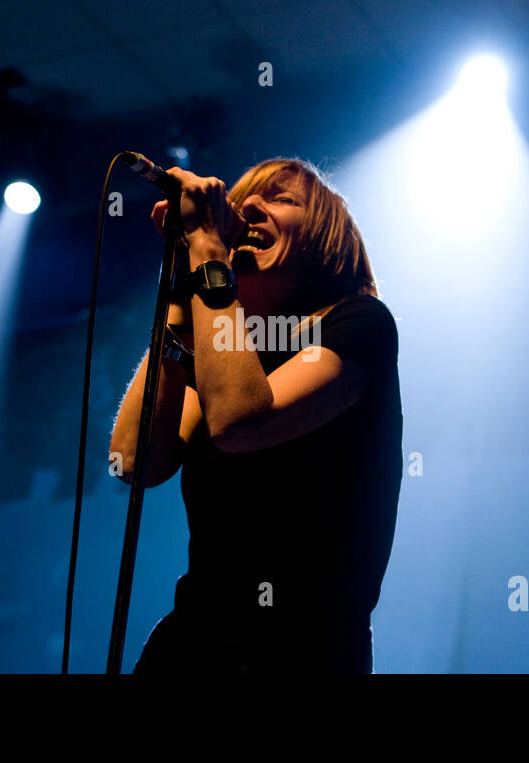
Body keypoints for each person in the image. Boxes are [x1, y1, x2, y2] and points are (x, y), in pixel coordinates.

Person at [109, 157, 402, 673]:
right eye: (244, 200)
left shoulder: (358, 324)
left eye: (281, 198)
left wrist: (206, 245)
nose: (247, 208)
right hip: (192, 647)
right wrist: (181, 288)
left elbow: (240, 421)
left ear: (326, 239)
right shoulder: (227, 351)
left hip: (302, 652)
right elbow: (135, 461)